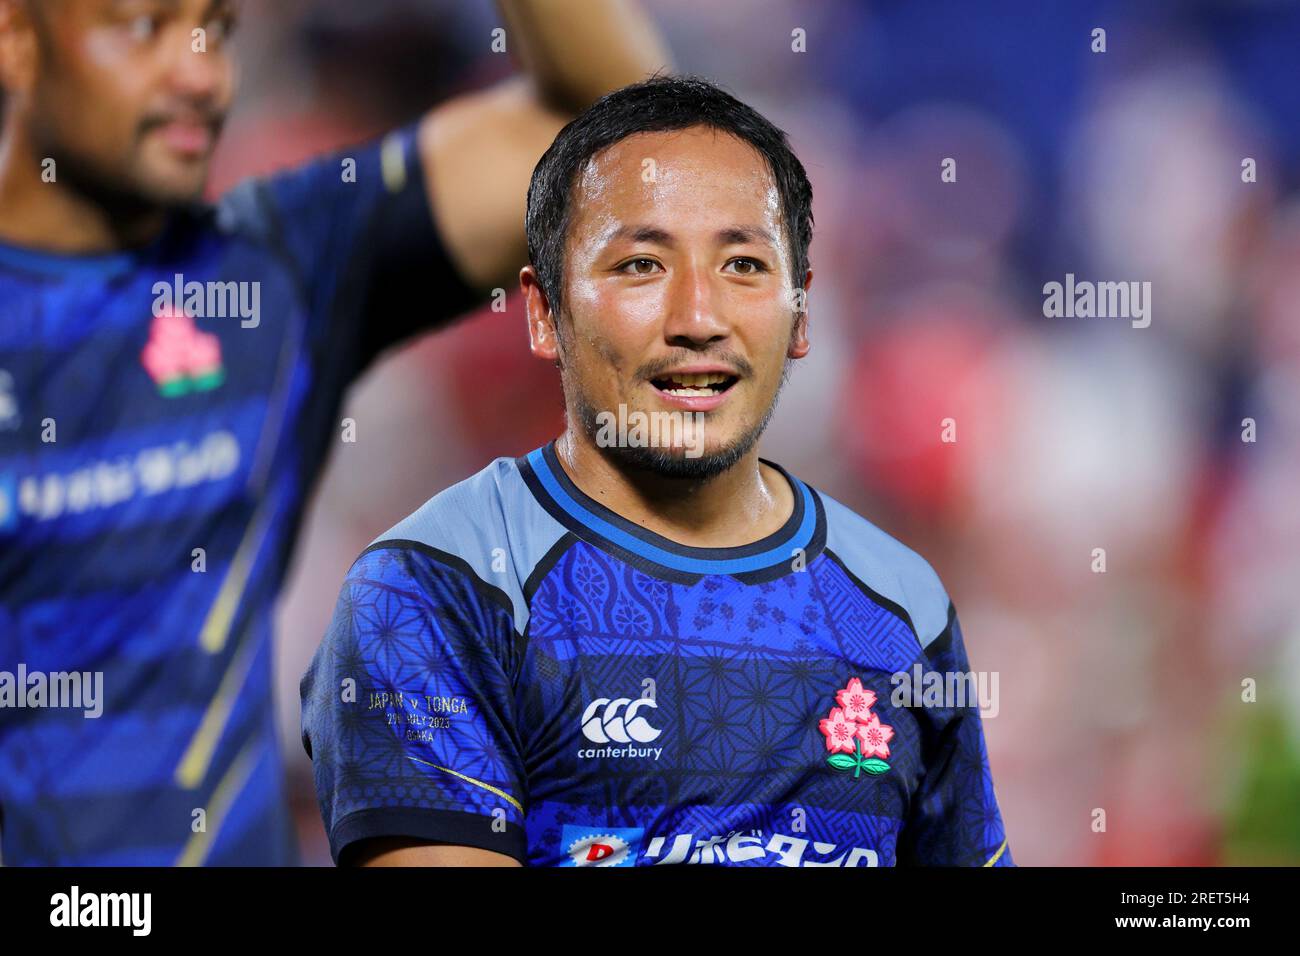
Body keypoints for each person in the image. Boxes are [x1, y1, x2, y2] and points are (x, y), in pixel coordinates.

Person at [0, 0, 668, 865]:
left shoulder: (276, 267)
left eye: (218, 31)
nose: (201, 74)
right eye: (145, 29)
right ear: (16, 39)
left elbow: (622, 142)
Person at [301, 75, 1014, 867]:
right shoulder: (438, 589)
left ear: (803, 313)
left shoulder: (902, 607)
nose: (698, 320)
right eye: (641, 265)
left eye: (743, 265)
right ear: (545, 313)